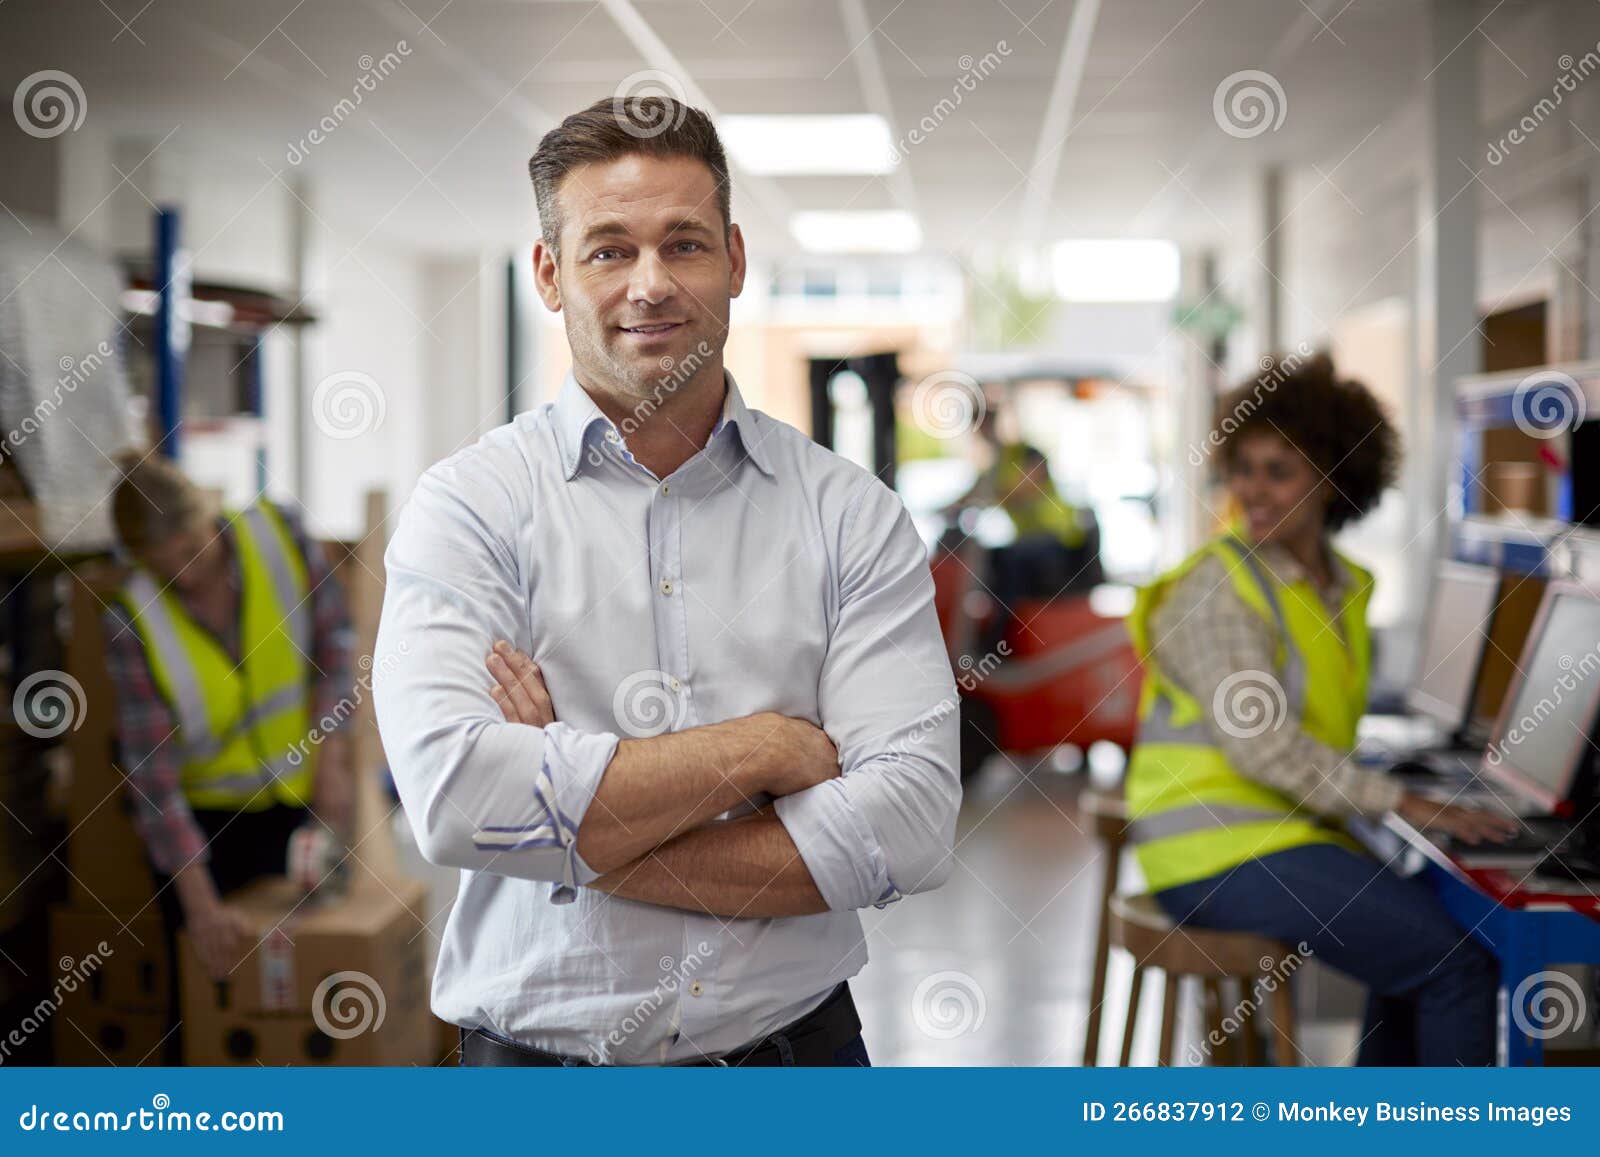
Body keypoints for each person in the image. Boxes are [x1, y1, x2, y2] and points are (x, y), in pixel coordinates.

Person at [372, 96, 960, 1068]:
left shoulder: (848, 514)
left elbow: (906, 824)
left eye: (682, 244)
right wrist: (766, 749)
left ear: (733, 259)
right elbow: (456, 797)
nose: (650, 283)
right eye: (608, 250)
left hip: (797, 1059)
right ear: (549, 275)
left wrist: (570, 827)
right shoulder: (468, 508)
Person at [1122, 353, 1517, 1066]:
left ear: (1335, 479)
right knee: (1455, 966)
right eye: (1244, 467)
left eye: (1281, 469)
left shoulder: (1336, 588)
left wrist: (1401, 794)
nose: (1254, 490)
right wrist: (1402, 801)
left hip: (1281, 835)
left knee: (1423, 949)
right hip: (1215, 848)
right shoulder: (1218, 588)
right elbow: (1263, 745)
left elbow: (1316, 730)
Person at [104, 453, 355, 1062]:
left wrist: (333, 752)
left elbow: (336, 646)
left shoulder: (280, 537)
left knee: (306, 996)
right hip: (204, 833)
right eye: (167, 568)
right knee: (207, 1004)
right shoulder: (133, 617)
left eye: (194, 550)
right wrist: (200, 902)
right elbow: (152, 776)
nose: (188, 579)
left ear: (208, 515)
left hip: (295, 807)